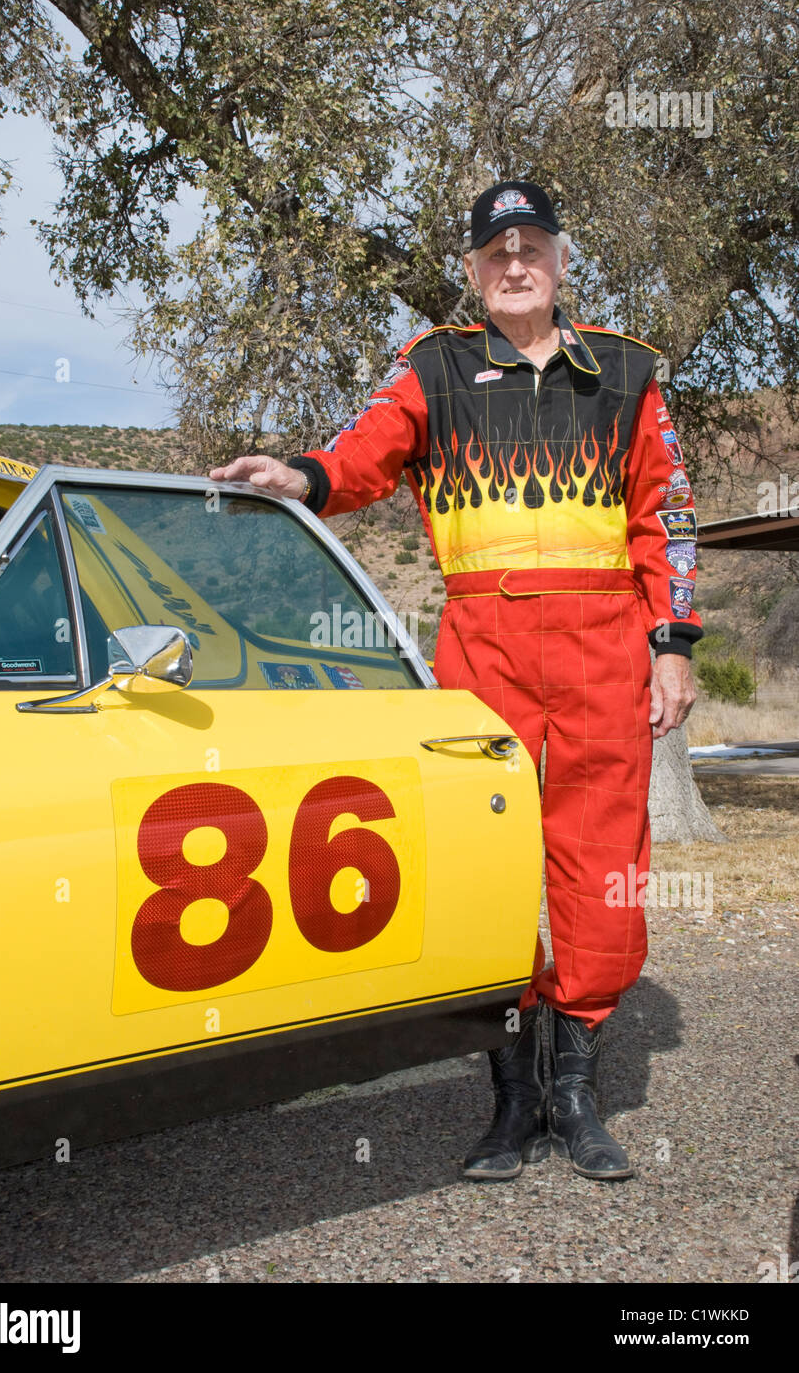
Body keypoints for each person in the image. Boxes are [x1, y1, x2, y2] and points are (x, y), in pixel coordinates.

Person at [209, 179, 702, 1182]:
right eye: (494, 251)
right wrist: (298, 477)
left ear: (561, 259)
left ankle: (575, 1085)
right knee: (485, 858)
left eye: (531, 245)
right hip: (482, 644)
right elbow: (363, 456)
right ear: (475, 271)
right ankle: (510, 1095)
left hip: (605, 640)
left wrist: (674, 640)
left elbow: (667, 517)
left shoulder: (629, 371)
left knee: (601, 860)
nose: (514, 263)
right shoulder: (431, 366)